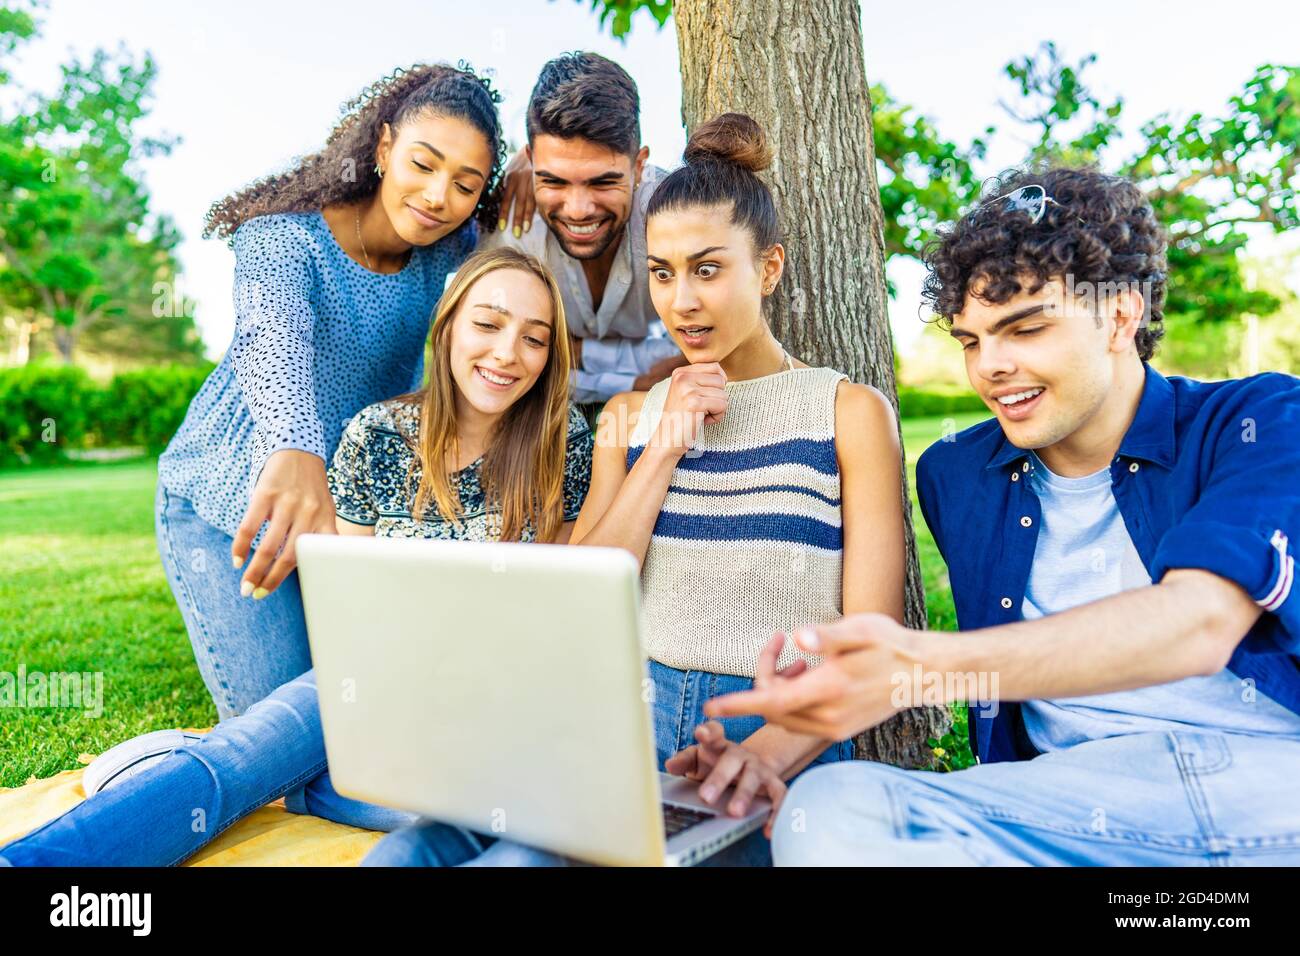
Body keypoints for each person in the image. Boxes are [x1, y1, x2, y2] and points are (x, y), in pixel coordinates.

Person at [705, 167, 1300, 866]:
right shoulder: (956, 474)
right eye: (970, 340)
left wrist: (919, 671)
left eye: (1025, 329)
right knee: (834, 808)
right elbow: (966, 670)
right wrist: (766, 754)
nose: (990, 367)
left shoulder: (1260, 419)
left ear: (1120, 315)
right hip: (1064, 801)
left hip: (1265, 783)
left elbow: (1198, 624)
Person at [361, 113, 908, 867]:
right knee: (413, 849)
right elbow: (583, 588)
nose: (681, 301)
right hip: (617, 726)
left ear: (770, 269)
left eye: (708, 269)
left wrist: (766, 756)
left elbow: (874, 649)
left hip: (767, 742)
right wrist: (664, 448)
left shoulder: (848, 414)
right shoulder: (628, 417)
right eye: (661, 272)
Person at [0, 248, 594, 866]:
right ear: (447, 327)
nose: (507, 354)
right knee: (242, 755)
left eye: (534, 339)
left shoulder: (565, 443)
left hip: (487, 705)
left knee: (504, 802)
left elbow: (555, 601)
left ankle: (282, 785)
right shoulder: (376, 432)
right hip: (373, 678)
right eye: (489, 324)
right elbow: (349, 602)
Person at [155, 63, 506, 720]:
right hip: (227, 505)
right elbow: (272, 337)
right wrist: (294, 447)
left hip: (344, 517)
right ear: (383, 148)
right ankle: (154, 771)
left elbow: (513, 289)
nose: (438, 195)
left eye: (467, 184)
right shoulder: (286, 236)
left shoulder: (448, 253)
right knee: (286, 736)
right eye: (423, 164)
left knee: (377, 717)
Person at [482, 51, 686, 412]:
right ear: (530, 163)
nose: (578, 210)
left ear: (639, 166)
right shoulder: (514, 225)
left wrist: (577, 352)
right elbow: (501, 361)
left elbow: (691, 351)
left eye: (603, 182)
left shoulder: (675, 214)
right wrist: (628, 379)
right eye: (554, 181)